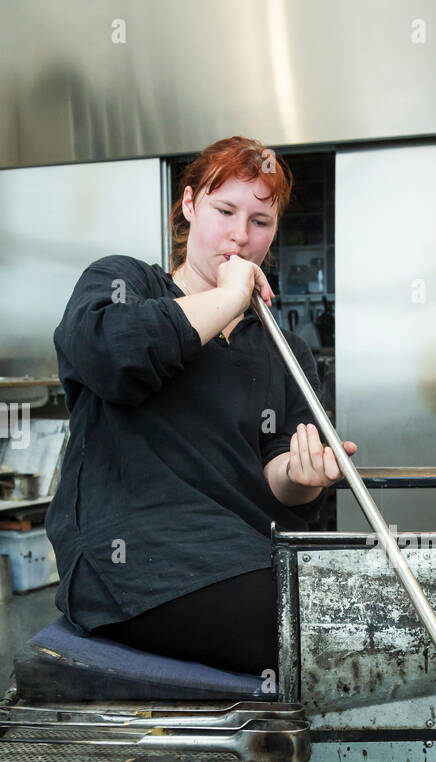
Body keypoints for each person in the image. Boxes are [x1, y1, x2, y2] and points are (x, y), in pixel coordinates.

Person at [45, 136, 356, 676]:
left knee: (361, 611)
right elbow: (109, 354)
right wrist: (229, 298)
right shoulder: (126, 283)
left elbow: (277, 473)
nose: (240, 235)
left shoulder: (285, 349)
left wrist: (302, 474)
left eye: (260, 221)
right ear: (188, 205)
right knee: (320, 632)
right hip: (133, 562)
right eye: (225, 210)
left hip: (245, 556)